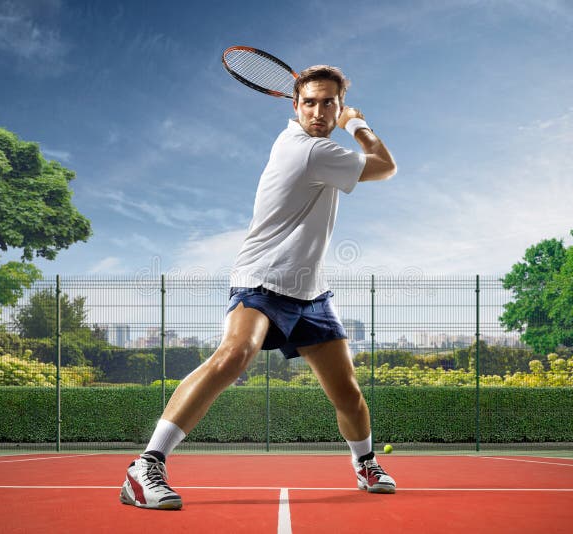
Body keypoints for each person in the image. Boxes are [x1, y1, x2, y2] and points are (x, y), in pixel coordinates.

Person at [120, 65, 398, 510]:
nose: (320, 111)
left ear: (337, 103)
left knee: (347, 393)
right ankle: (146, 466)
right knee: (234, 355)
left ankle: (365, 463)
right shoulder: (306, 150)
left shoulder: (318, 149)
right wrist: (357, 124)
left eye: (330, 103)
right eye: (310, 102)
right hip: (262, 279)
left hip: (310, 292)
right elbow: (386, 166)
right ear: (295, 106)